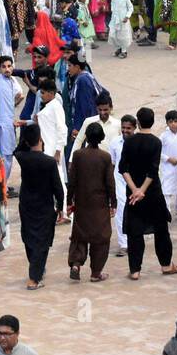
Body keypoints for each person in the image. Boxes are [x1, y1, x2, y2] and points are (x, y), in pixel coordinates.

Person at [14, 121, 64, 289]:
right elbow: (58, 188)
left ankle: (36, 270)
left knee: (29, 237)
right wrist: (60, 207)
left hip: (27, 205)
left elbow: (17, 149)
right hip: (45, 206)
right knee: (42, 242)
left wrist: (26, 136)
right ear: (40, 140)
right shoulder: (49, 162)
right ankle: (34, 278)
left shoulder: (22, 157)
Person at [67, 121, 118, 282]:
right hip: (100, 204)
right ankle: (96, 272)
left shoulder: (78, 155)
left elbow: (72, 180)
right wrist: (113, 203)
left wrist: (69, 201)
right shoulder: (105, 157)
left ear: (87, 137)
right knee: (101, 238)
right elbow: (110, 183)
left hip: (82, 203)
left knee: (79, 235)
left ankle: (76, 263)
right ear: (101, 137)